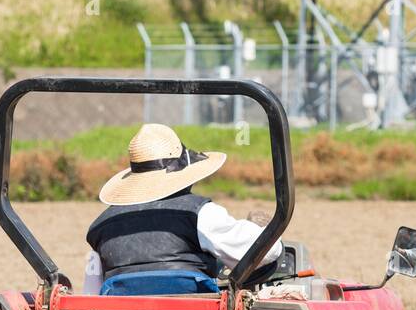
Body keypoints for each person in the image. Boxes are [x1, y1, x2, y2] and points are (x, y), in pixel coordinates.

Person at [83, 123, 282, 295]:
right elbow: (268, 251)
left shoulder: (100, 226)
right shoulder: (199, 214)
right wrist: (260, 230)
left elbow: (90, 294)